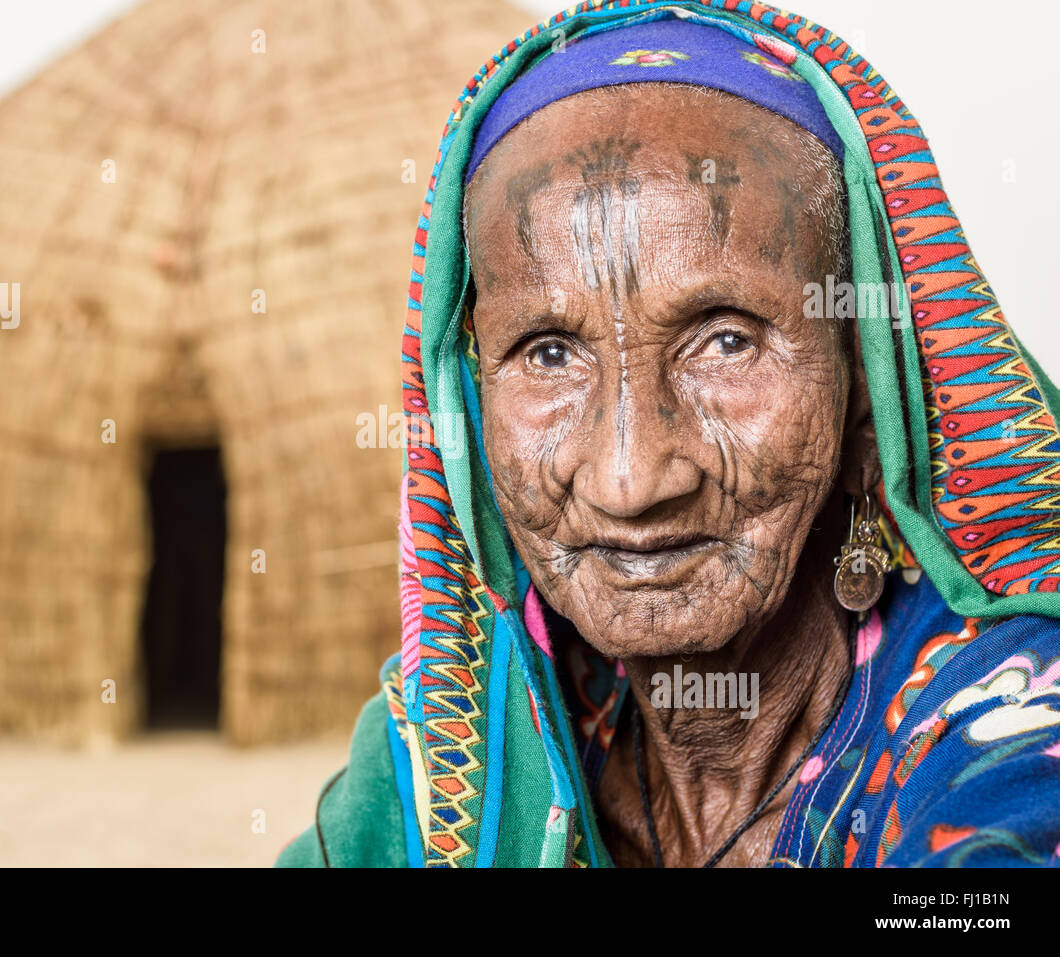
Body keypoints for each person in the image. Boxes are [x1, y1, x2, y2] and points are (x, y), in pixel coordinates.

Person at [277, 2, 1060, 867]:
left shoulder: (1014, 733)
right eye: (547, 353)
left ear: (869, 397)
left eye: (727, 341)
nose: (630, 478)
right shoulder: (442, 752)